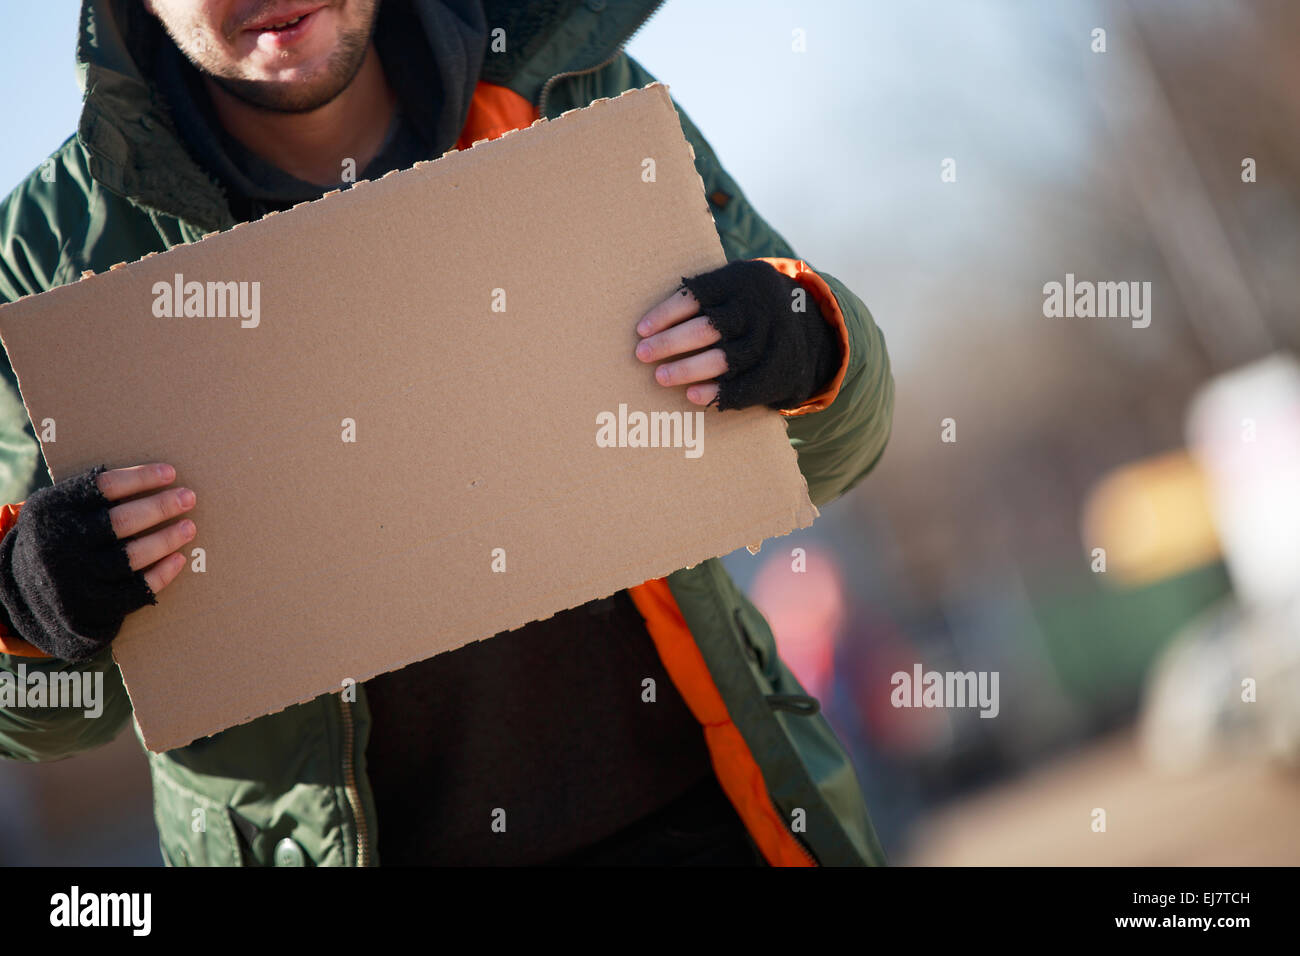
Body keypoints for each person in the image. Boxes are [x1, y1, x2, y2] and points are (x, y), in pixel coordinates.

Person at [0, 0, 893, 866]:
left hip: (720, 826)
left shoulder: (567, 89)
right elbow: (48, 717)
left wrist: (807, 344)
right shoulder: (47, 253)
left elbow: (838, 453)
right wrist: (23, 602)